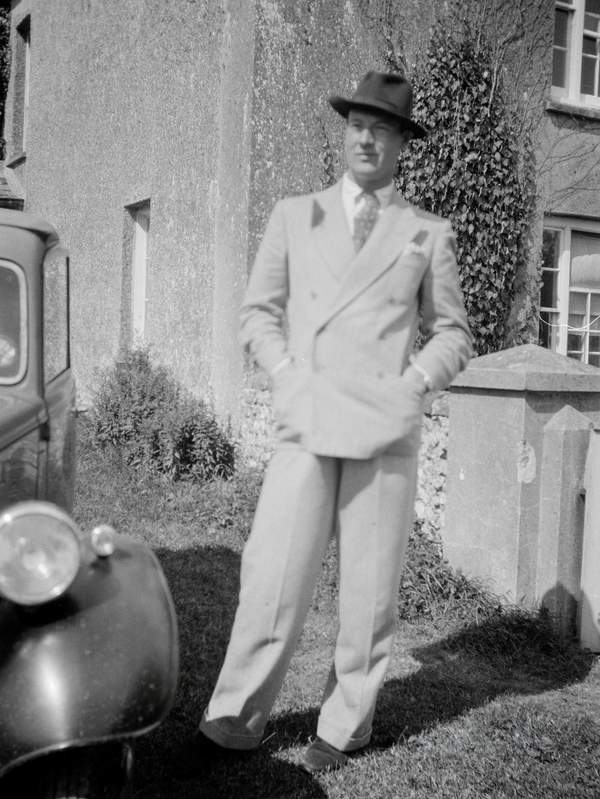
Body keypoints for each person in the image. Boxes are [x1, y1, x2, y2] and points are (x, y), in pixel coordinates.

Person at [185, 71, 472, 775]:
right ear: (345, 134)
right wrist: (286, 375)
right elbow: (258, 314)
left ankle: (346, 726)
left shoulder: (426, 235)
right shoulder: (293, 216)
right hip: (308, 424)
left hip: (384, 431)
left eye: (382, 128)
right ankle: (235, 715)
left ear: (403, 144)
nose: (366, 137)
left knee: (369, 591)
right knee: (272, 574)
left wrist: (412, 384)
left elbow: (453, 334)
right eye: (356, 124)